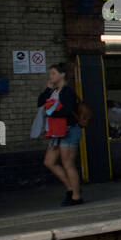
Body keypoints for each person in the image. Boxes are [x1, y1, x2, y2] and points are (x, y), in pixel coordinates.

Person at [38, 62, 83, 205]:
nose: (50, 76)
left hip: (69, 130)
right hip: (56, 132)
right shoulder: (53, 91)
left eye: (53, 73)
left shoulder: (67, 91)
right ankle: (70, 188)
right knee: (49, 162)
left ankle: (76, 196)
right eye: (50, 74)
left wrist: (51, 110)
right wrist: (48, 89)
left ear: (62, 75)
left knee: (68, 164)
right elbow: (40, 102)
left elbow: (67, 110)